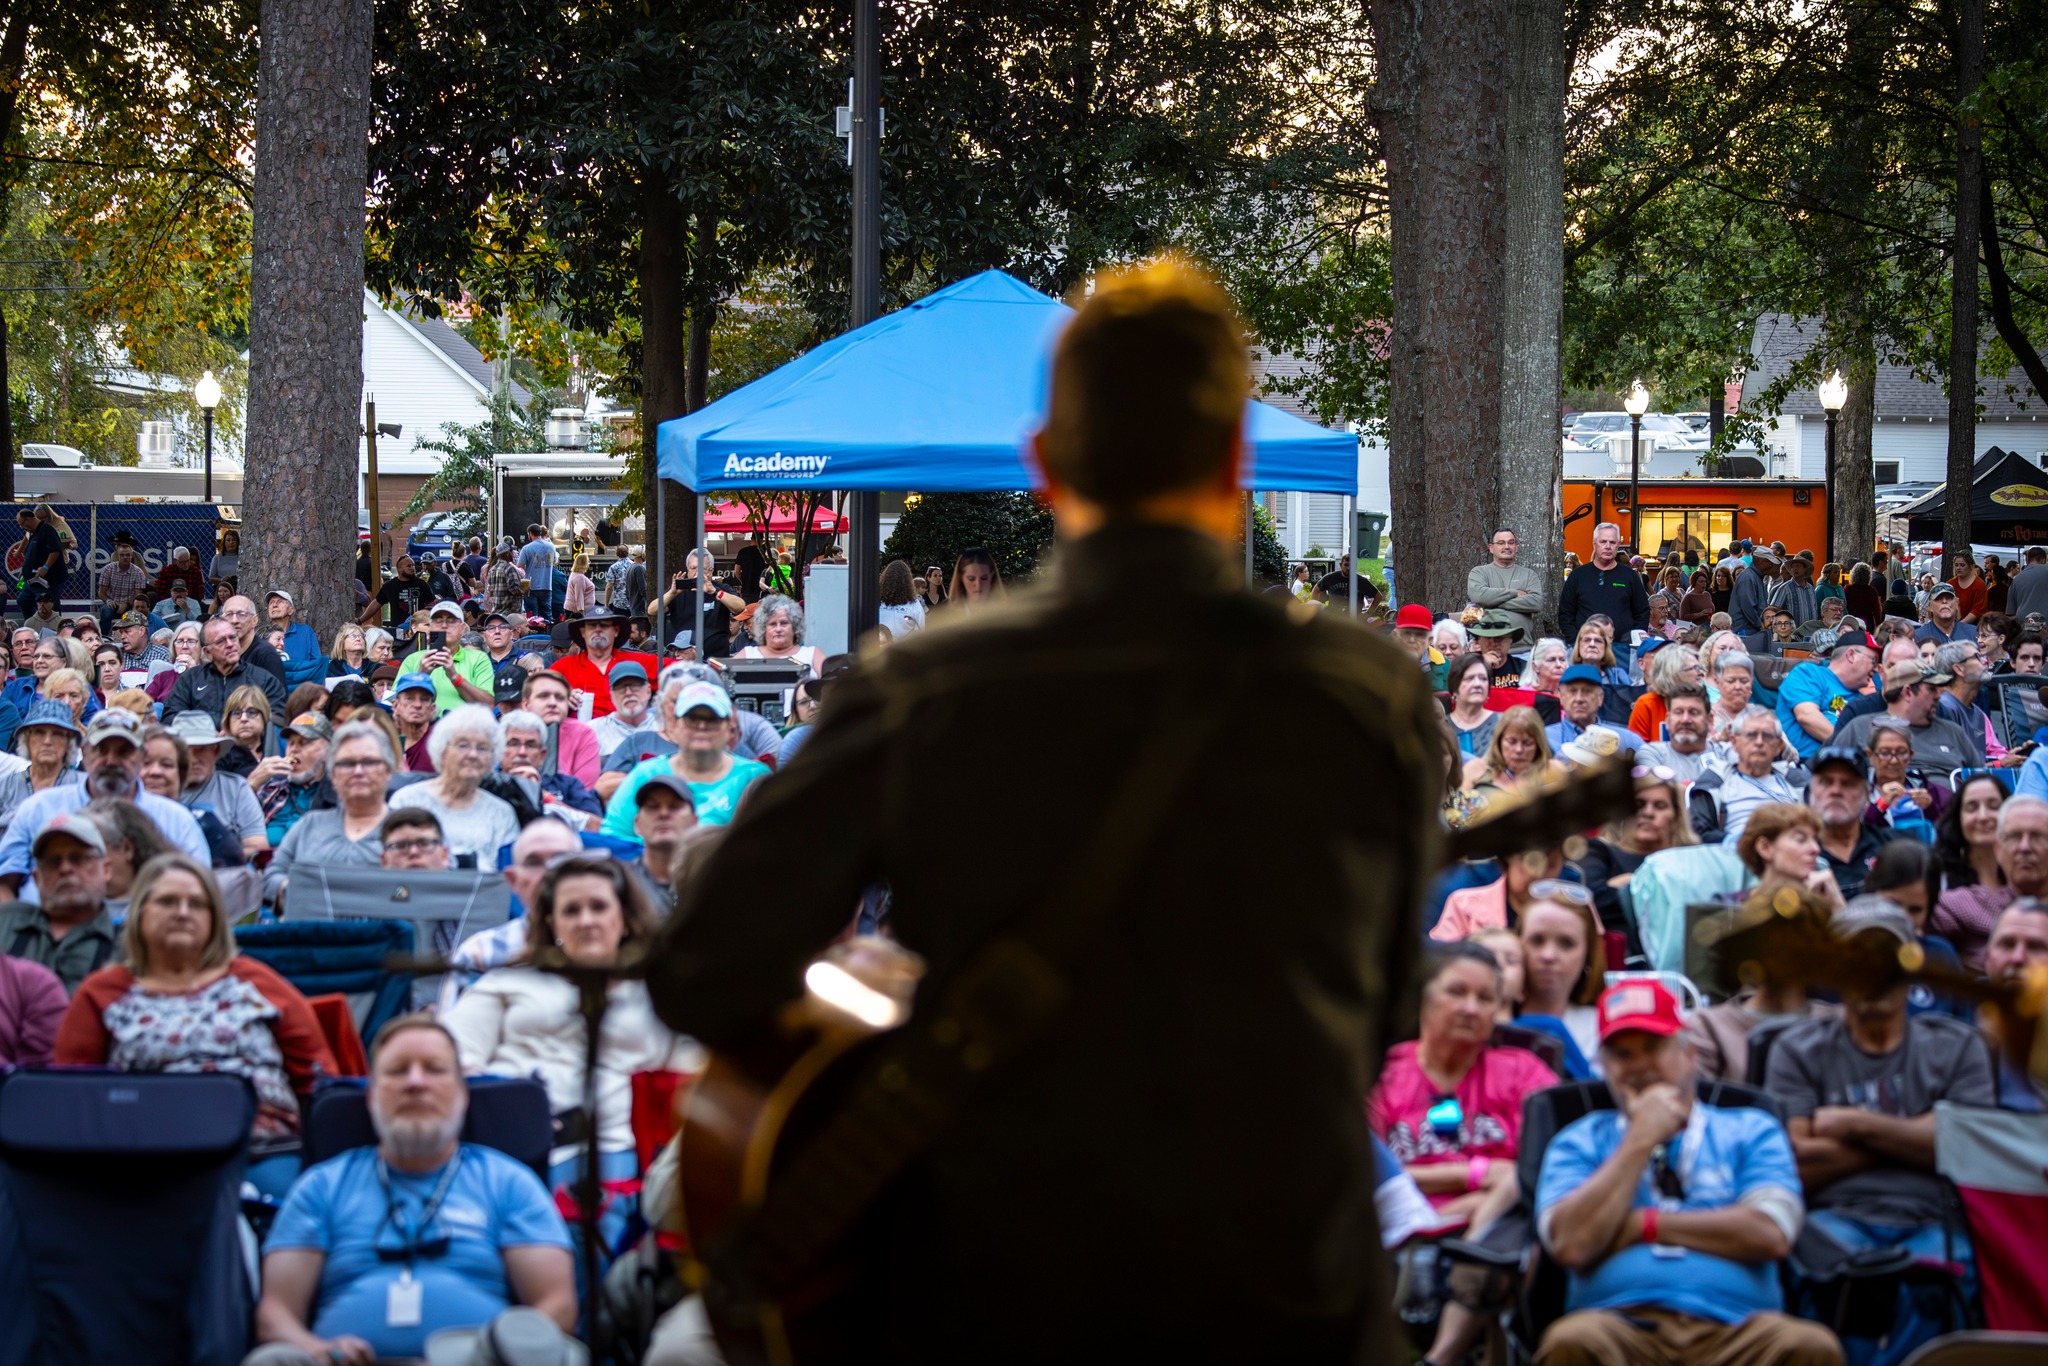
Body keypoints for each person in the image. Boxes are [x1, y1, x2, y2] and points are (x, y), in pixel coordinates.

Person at [643, 258, 1445, 1358]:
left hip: (1001, 1280)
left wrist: (878, 1015)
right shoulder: (1368, 690)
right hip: (1283, 1286)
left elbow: (704, 969)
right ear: (1230, 461)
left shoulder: (924, 686)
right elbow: (1387, 1010)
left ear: (1044, 464)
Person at [1532, 979, 1837, 1366]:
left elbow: (1771, 1232)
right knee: (1569, 1340)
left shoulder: (1750, 1129)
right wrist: (1639, 1140)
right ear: (1605, 1068)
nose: (1640, 1066)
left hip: (1741, 1332)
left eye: (1654, 1048)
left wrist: (1641, 1226)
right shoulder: (1578, 1141)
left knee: (1813, 1347)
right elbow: (1571, 1244)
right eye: (1623, 1054)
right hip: (1619, 1328)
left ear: (1689, 1053)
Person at [246, 1015, 578, 1365]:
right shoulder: (321, 1186)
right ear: (372, 1095)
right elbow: (276, 1314)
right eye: (398, 1070)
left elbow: (557, 1306)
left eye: (434, 1069)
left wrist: (499, 1352)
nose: (415, 1082)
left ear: (462, 1095)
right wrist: (317, 1350)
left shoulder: (509, 1182)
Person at [1768, 896, 1997, 1366]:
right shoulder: (1796, 1048)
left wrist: (1852, 1125)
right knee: (1844, 1277)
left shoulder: (1957, 1045)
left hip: (1932, 1221)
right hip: (1833, 1221)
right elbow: (1797, 1166)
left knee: (1933, 1279)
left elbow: (1970, 1150)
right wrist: (1918, 1137)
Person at [443, 854, 697, 1254]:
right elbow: (450, 1057)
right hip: (512, 1149)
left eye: (599, 907)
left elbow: (691, 1078)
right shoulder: (509, 980)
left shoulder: (660, 992)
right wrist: (502, 1107)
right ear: (551, 924)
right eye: (571, 910)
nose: (586, 920)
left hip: (619, 1152)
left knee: (585, 1237)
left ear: (626, 918)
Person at [55, 852, 334, 1196]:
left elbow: (321, 1080)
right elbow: (70, 1095)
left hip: (261, 1149)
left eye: (197, 904)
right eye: (169, 901)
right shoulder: (103, 992)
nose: (183, 912)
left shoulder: (258, 982)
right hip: (141, 1156)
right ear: (140, 913)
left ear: (216, 919)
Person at [1368, 944, 1555, 1366]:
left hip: (1494, 1233)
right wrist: (1474, 1176)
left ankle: (1439, 1358)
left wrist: (1477, 1194)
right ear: (1424, 997)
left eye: (1486, 998)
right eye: (1457, 991)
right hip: (1398, 1233)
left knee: (1513, 1214)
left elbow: (1533, 1171)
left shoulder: (1522, 1071)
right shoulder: (1384, 1074)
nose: (1471, 1008)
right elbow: (1365, 1167)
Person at [0, 709, 208, 896]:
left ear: (142, 756)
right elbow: (5, 881)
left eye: (123, 751)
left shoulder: (175, 819)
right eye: (101, 750)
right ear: (85, 753)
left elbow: (199, 889)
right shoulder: (39, 807)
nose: (111, 760)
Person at [602, 680, 771, 839]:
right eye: (692, 718)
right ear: (675, 724)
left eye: (712, 719)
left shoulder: (753, 778)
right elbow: (613, 836)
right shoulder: (645, 774)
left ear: (729, 727)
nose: (702, 726)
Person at [263, 721, 394, 905]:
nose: (358, 771)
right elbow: (271, 875)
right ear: (333, 775)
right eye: (347, 763)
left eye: (369, 762)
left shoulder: (406, 830)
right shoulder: (310, 825)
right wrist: (290, 889)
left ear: (388, 771)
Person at [388, 705, 521, 868]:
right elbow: (391, 867)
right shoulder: (407, 801)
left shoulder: (502, 814)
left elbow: (507, 878)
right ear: (442, 750)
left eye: (482, 748)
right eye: (463, 745)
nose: (473, 754)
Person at [0, 813, 119, 994]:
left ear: (106, 870)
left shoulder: (128, 941)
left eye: (78, 858)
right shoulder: (6, 922)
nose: (65, 868)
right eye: (53, 862)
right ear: (36, 878)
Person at [1933, 791, 2047, 971]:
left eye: (2038, 836)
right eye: (2014, 836)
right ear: (1997, 848)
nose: (2025, 847)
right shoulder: (1960, 907)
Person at [1516, 883, 1607, 1079]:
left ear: (1588, 955)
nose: (1549, 955)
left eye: (1566, 943)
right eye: (1537, 940)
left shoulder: (1606, 1030)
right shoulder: (1485, 1018)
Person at [1833, 660, 1977, 782]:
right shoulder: (1860, 728)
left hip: (1947, 811)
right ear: (1908, 692)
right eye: (1932, 689)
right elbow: (1828, 775)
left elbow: (1979, 778)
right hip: (1881, 811)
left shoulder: (1952, 732)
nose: (1939, 695)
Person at [1691, 707, 1800, 844]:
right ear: (1735, 742)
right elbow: (1700, 832)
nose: (1759, 742)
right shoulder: (1717, 780)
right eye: (1751, 735)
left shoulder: (1796, 782)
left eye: (1767, 736)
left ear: (1778, 746)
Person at [1804, 747, 1895, 900]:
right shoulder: (1795, 855)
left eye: (1848, 783)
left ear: (1867, 797)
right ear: (1810, 792)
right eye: (1826, 782)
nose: (1836, 791)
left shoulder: (1893, 847)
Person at [1775, 629, 1879, 761]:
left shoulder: (1860, 698)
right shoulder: (1808, 673)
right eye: (1874, 661)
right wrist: (1855, 749)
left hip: (1845, 770)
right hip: (1801, 765)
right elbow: (1807, 716)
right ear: (1851, 655)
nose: (1876, 669)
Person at [163, 616, 286, 725]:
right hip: (201, 746)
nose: (230, 644)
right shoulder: (191, 679)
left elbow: (278, 717)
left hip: (247, 747)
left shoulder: (262, 679)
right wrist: (205, 729)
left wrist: (243, 726)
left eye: (233, 638)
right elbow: (170, 717)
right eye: (221, 641)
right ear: (207, 652)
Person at [1431, 844, 1565, 942]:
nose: (1538, 874)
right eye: (1530, 862)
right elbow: (1439, 963)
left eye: (1551, 865)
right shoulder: (1463, 906)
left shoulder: (1574, 913)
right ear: (1508, 858)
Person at [495, 710, 602, 829]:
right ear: (499, 751)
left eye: (530, 745)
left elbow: (598, 827)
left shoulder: (567, 785)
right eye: (513, 744)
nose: (522, 752)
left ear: (542, 755)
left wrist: (542, 796)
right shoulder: (488, 784)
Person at [1560, 523, 1649, 659]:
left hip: (1622, 651)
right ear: (1594, 544)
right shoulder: (1578, 576)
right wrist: (1575, 642)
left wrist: (1633, 642)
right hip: (1585, 651)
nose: (1608, 546)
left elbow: (1642, 612)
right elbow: (1565, 613)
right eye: (1603, 541)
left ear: (1618, 545)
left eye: (1612, 542)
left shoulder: (1629, 576)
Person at [549, 605, 657, 717]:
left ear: (616, 631)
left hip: (630, 731)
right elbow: (538, 697)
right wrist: (560, 697)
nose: (598, 629)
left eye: (604, 625)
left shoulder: (638, 661)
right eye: (592, 625)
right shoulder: (562, 667)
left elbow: (675, 669)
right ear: (583, 632)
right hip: (582, 732)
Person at [394, 600, 496, 713]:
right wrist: (421, 676)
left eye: (451, 620)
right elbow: (394, 703)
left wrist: (455, 677)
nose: (444, 625)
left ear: (462, 628)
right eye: (438, 620)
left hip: (464, 728)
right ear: (431, 626)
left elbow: (489, 705)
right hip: (423, 727)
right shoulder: (413, 659)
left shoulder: (478, 658)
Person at [251, 711, 333, 850]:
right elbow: (232, 830)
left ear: (328, 750)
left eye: (304, 743)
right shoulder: (271, 789)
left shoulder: (337, 794)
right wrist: (251, 784)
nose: (294, 750)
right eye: (291, 743)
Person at [0, 699, 84, 831]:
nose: (47, 741)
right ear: (26, 739)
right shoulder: (5, 786)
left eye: (57, 733)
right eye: (39, 732)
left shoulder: (82, 787)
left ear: (69, 743)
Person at [514, 669, 602, 787]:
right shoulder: (511, 731)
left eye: (560, 698)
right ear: (525, 704)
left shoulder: (582, 733)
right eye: (543, 696)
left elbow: (585, 793)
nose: (553, 703)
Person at [1861, 717, 1943, 838]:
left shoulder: (1923, 786)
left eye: (1901, 752)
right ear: (1870, 755)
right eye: (1885, 753)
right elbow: (1857, 835)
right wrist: (1881, 805)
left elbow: (1944, 834)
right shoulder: (1860, 789)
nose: (1894, 760)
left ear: (1910, 755)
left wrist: (1930, 807)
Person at [1546, 663, 1643, 757]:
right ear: (1561, 697)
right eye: (1572, 691)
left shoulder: (1625, 741)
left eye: (1587, 691)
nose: (1579, 699)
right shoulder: (1544, 740)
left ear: (1600, 697)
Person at [625, 774, 696, 901]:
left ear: (694, 822)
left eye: (675, 806)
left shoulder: (712, 882)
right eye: (652, 806)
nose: (663, 814)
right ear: (637, 824)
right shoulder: (620, 884)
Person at [1461, 704, 1555, 798]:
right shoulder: (1475, 770)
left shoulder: (1553, 771)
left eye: (1527, 743)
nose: (1519, 750)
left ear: (1538, 745)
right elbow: (1456, 810)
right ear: (1499, 741)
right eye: (1511, 741)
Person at [1468, 527, 1544, 642]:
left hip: (1522, 649)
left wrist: (1490, 603)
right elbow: (1478, 596)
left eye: (1511, 543)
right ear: (1491, 548)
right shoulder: (1479, 572)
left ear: (1516, 547)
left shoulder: (1529, 575)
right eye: (1501, 543)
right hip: (1489, 646)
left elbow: (1536, 603)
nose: (1507, 547)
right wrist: (1515, 593)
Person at [1635, 684, 1715, 782]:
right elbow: (1657, 793)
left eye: (1694, 712)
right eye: (1678, 712)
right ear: (1667, 720)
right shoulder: (1652, 754)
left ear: (1709, 720)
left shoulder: (1724, 753)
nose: (1685, 719)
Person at [732, 593, 827, 675]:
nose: (778, 629)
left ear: (795, 626)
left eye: (784, 623)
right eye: (772, 624)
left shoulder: (812, 655)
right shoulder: (747, 655)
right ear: (763, 628)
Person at [1628, 643, 1704, 743]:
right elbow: (1634, 750)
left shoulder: (1702, 701)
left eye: (1699, 667)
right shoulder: (1647, 704)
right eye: (1694, 668)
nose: (1701, 673)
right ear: (1674, 673)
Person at [587, 660, 654, 757]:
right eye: (621, 688)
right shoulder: (594, 731)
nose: (628, 693)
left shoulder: (666, 727)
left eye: (635, 686)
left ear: (648, 690)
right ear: (612, 695)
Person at [1443, 653, 1499, 761]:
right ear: (1454, 687)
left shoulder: (1503, 724)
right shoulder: (1442, 729)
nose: (1478, 684)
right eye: (1469, 678)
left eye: (1483, 679)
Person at [362, 553, 430, 640]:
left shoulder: (421, 584)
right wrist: (361, 619)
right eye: (409, 566)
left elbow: (432, 604)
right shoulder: (390, 586)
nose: (412, 568)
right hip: (397, 630)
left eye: (413, 565)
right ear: (399, 568)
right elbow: (376, 603)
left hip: (418, 631)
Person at [944, 546, 1005, 614]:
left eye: (984, 578)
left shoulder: (1007, 613)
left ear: (992, 575)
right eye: (971, 579)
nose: (978, 584)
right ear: (961, 577)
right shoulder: (943, 614)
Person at [1914, 582, 1976, 648]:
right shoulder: (1919, 637)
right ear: (1930, 606)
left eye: (1949, 598)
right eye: (1938, 598)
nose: (1944, 601)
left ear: (1957, 604)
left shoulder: (1973, 633)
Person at [518, 524, 558, 619]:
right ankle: (547, 632)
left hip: (529, 587)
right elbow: (554, 562)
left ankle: (534, 633)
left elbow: (520, 568)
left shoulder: (526, 548)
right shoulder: (551, 547)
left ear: (530, 534)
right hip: (547, 585)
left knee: (532, 617)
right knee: (546, 615)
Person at [562, 552, 595, 617]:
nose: (589, 564)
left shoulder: (574, 574)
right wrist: (580, 611)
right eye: (588, 561)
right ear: (584, 563)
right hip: (577, 611)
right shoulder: (579, 578)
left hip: (572, 608)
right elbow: (579, 595)